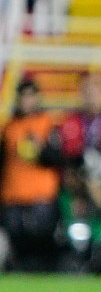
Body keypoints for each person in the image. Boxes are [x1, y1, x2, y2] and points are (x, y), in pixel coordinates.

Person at [0, 78, 62, 272]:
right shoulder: (10, 127)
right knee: (16, 242)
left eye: (30, 96)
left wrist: (41, 149)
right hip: (13, 197)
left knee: (41, 241)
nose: (26, 101)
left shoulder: (47, 124)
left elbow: (57, 158)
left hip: (41, 197)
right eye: (23, 96)